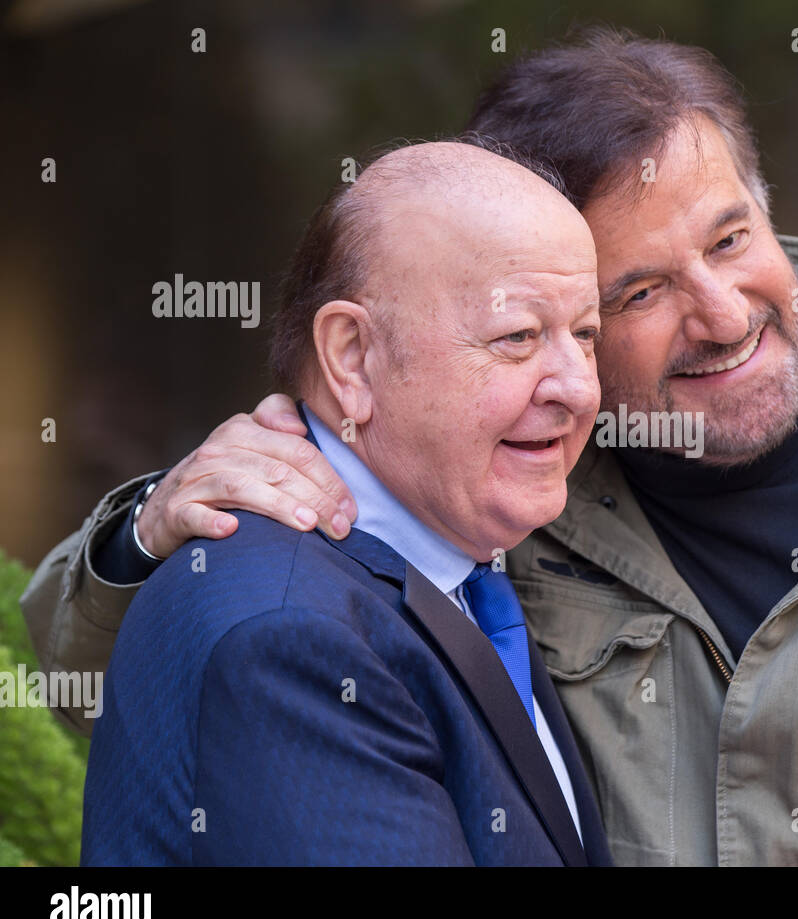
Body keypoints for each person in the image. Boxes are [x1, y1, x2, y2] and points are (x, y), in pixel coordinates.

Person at [26, 29, 798, 866]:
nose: (722, 313)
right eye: (634, 295)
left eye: (731, 240)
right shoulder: (501, 495)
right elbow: (110, 663)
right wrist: (153, 525)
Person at [77, 140, 612, 865]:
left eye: (584, 335)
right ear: (353, 356)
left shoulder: (453, 555)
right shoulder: (290, 633)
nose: (579, 388)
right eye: (517, 336)